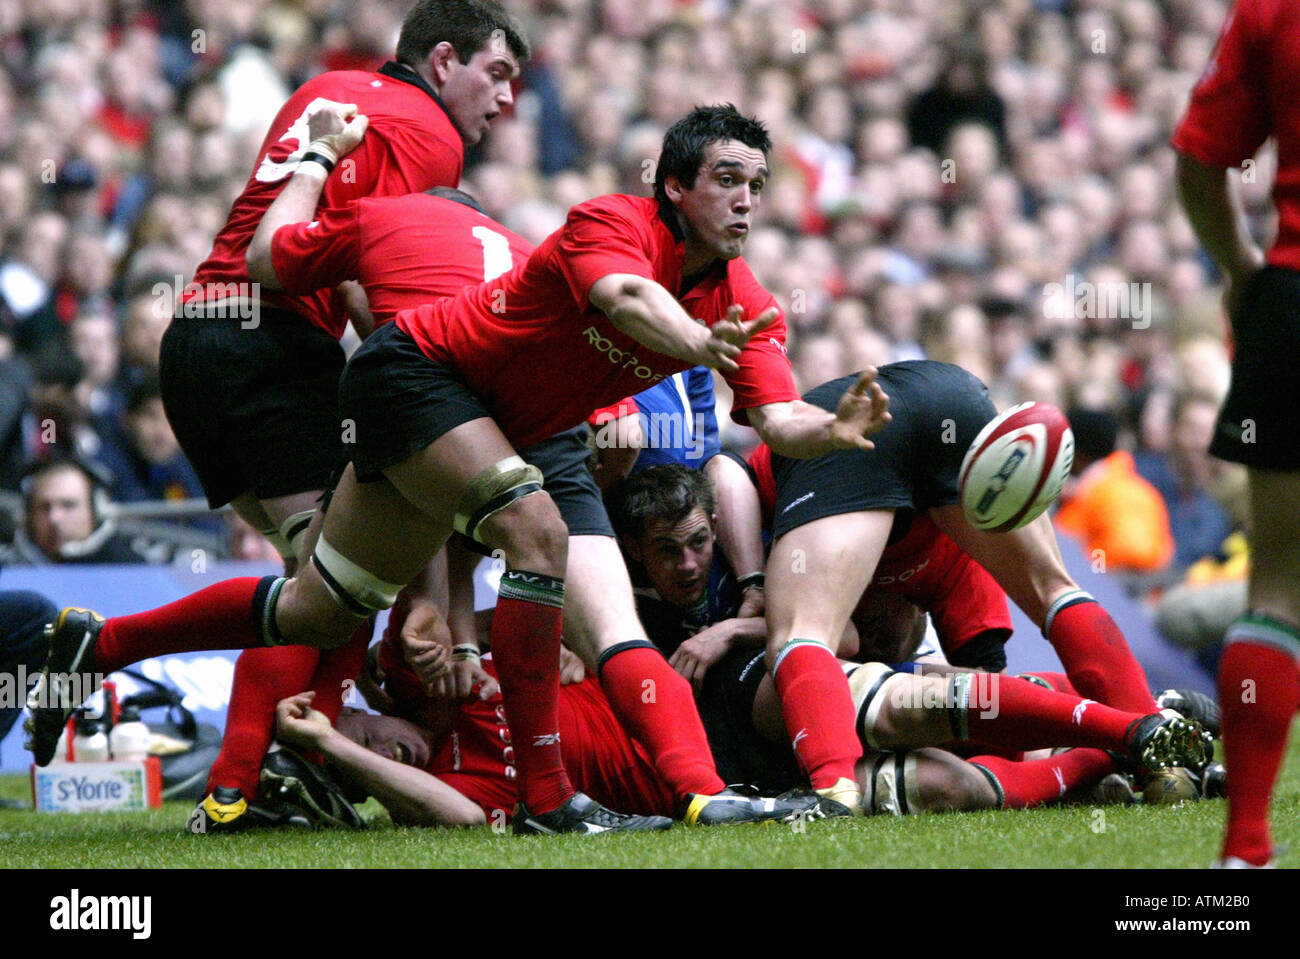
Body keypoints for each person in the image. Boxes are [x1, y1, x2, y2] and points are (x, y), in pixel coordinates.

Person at [31, 105, 890, 835]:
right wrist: (700, 345)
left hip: (490, 422)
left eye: (758, 186)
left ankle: (96, 641)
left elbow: (777, 417)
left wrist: (836, 430)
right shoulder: (608, 222)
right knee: (535, 530)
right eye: (728, 179)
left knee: (318, 605)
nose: (747, 201)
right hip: (418, 374)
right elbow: (626, 299)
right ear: (672, 185)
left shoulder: (749, 300)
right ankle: (549, 801)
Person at [138, 0, 530, 831]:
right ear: (444, 59)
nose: (507, 100)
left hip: (199, 348)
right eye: (496, 74)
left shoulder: (332, 86)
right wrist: (414, 383)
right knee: (336, 587)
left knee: (314, 587)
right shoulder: (429, 132)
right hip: (272, 345)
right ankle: (244, 784)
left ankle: (275, 768)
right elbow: (367, 260)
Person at [753, 363, 1181, 815]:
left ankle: (833, 795)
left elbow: (726, 473)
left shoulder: (763, 497)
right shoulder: (936, 559)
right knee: (1054, 590)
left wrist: (746, 584)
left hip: (844, 426)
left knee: (803, 636)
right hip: (948, 391)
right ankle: (1163, 758)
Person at [1172, 0, 1300, 869]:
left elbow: (1197, 161)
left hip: (1293, 304)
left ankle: (1244, 851)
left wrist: (1242, 271)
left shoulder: (1269, 10)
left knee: (1280, 590)